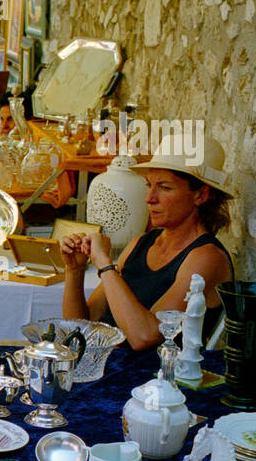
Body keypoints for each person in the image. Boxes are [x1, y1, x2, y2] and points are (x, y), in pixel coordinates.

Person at [61, 133, 234, 351]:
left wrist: (106, 266)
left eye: (164, 187)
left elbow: (145, 337)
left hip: (154, 379)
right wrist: (74, 270)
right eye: (149, 185)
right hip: (109, 367)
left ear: (200, 195)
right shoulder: (140, 244)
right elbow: (81, 330)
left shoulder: (206, 258)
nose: (149, 198)